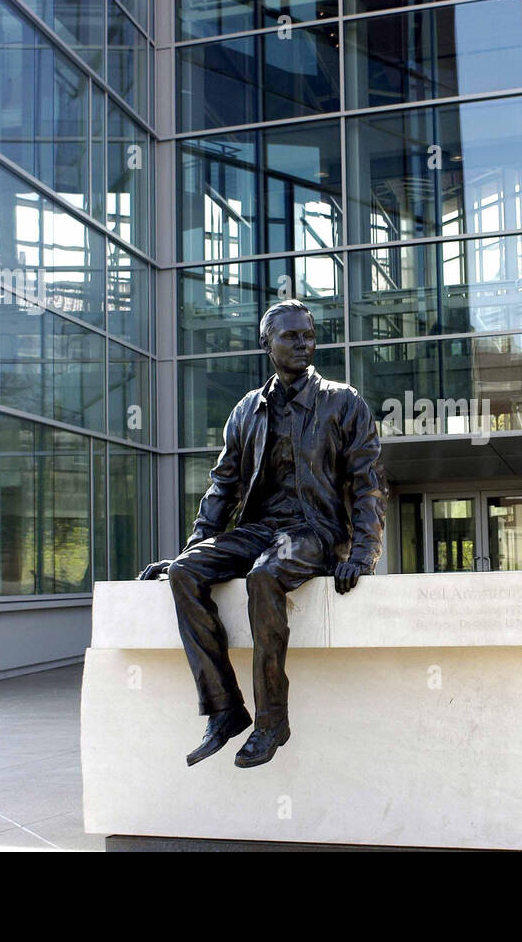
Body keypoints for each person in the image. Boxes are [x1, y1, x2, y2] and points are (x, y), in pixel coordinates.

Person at [138, 301, 386, 768]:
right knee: (187, 573)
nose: (303, 344)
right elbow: (223, 487)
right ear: (266, 343)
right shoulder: (247, 410)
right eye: (291, 336)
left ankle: (272, 720)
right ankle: (225, 710)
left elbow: (368, 483)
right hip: (259, 529)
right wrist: (195, 548)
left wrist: (364, 552)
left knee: (264, 577)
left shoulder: (344, 402)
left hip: (314, 530)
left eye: (308, 335)